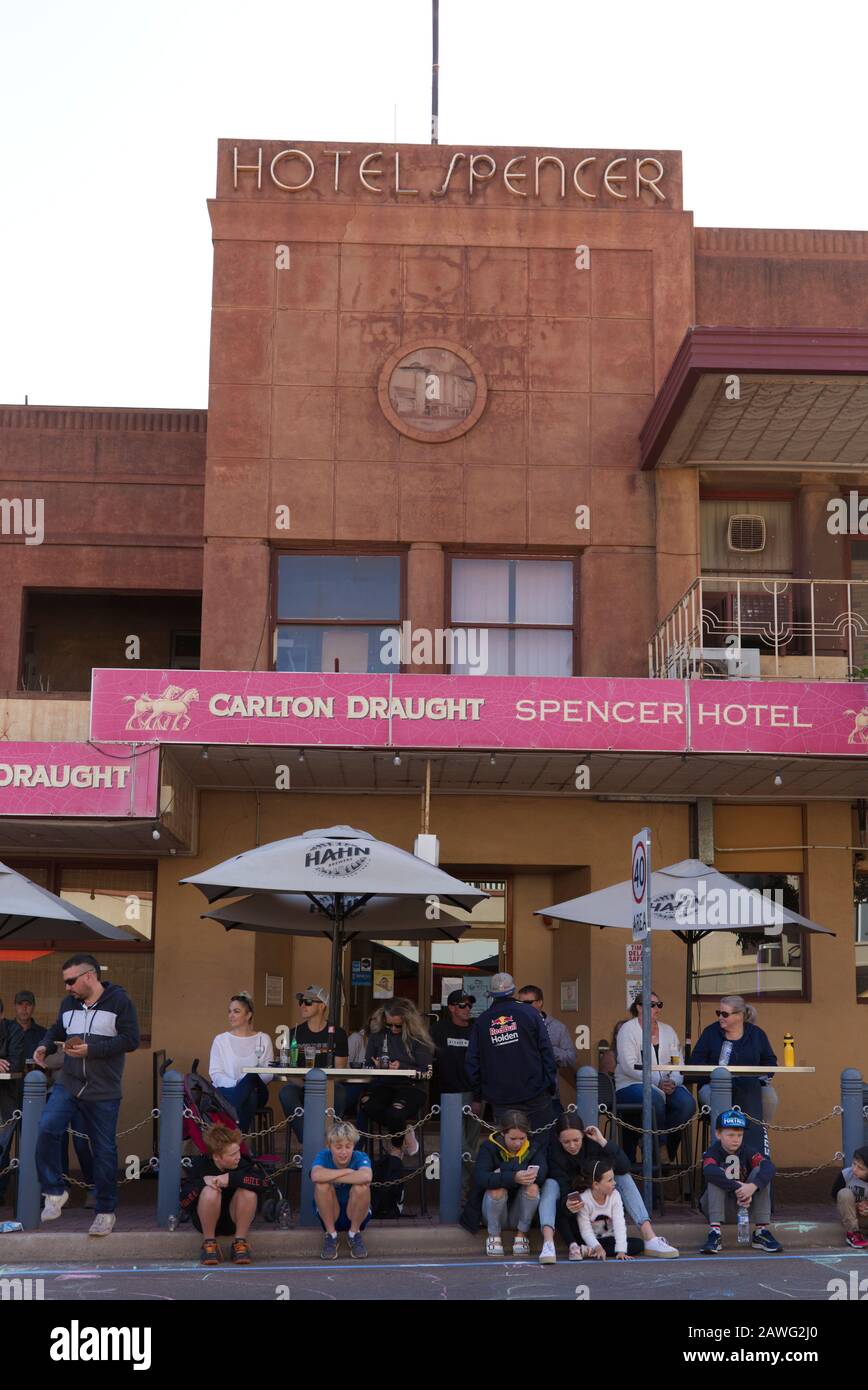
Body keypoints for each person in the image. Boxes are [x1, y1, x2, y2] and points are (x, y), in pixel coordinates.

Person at [33, 953, 140, 1236]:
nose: (67, 987)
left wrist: (92, 1050)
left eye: (71, 981)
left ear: (89, 976)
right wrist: (45, 1046)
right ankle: (54, 1192)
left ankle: (105, 1212)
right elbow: (56, 1028)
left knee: (104, 1151)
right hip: (68, 1083)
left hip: (103, 1089)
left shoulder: (120, 1001)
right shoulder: (68, 1003)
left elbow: (131, 1040)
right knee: (46, 1128)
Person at [537, 1111, 678, 1263]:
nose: (572, 1145)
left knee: (623, 1176)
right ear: (559, 1139)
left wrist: (602, 1141)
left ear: (583, 1135)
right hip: (576, 1209)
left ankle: (650, 1237)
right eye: (566, 1142)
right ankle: (548, 1243)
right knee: (550, 1184)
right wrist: (568, 1205)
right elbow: (564, 1191)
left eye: (576, 1140)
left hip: (600, 1203)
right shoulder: (555, 1154)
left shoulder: (593, 1144)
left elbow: (624, 1166)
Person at [466, 973, 557, 1135]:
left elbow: (472, 1061)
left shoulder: (482, 1021)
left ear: (491, 993)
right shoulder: (530, 1014)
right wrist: (549, 1085)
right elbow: (547, 1052)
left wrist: (480, 1093)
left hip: (500, 1096)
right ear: (513, 990)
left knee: (509, 1147)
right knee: (541, 1145)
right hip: (535, 1092)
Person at [614, 991, 696, 1162]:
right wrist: (657, 1082)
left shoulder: (668, 1030)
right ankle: (660, 1148)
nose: (657, 1008)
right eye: (652, 1005)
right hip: (631, 1084)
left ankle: (653, 1144)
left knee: (687, 1105)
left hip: (667, 1084)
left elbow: (678, 1062)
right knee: (654, 1099)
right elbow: (628, 1066)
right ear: (639, 1007)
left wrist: (673, 1080)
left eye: (659, 1004)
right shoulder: (627, 1030)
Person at [690, 995, 777, 1147]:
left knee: (770, 1098)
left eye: (725, 1014)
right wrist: (714, 1074)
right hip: (714, 1085)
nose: (720, 1018)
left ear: (739, 1016)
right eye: (719, 1013)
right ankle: (724, 1150)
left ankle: (756, 1139)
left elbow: (770, 1061)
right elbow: (695, 1062)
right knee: (721, 1101)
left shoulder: (756, 1034)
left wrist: (762, 1077)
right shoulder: (711, 1033)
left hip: (750, 1086)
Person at [180, 1123, 269, 1265]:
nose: (238, 1157)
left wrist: (231, 1179)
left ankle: (240, 1243)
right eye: (233, 1154)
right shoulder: (200, 1165)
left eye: (238, 1152)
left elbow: (264, 1184)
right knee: (211, 1191)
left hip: (233, 1219)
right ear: (217, 1157)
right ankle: (209, 1244)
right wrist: (203, 1182)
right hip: (206, 1220)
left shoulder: (243, 1163)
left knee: (248, 1192)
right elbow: (184, 1202)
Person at [459, 1108, 545, 1256]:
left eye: (522, 1138)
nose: (518, 1143)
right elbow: (481, 1177)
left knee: (533, 1187)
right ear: (502, 1133)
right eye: (513, 1139)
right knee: (497, 1188)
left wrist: (502, 1172)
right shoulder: (488, 1147)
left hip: (520, 1212)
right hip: (492, 1213)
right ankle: (493, 1236)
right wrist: (513, 1177)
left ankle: (522, 1234)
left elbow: (542, 1173)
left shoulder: (534, 1147)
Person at [700, 1108, 782, 1253]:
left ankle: (761, 1232)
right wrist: (738, 1187)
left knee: (761, 1171)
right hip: (719, 1207)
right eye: (730, 1135)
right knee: (716, 1173)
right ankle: (715, 1233)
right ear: (718, 1134)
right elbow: (708, 1170)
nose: (736, 1139)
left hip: (744, 1207)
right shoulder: (713, 1151)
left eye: (739, 1135)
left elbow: (769, 1166)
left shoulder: (747, 1150)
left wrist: (752, 1187)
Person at [360, 999, 434, 1157]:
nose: (393, 1028)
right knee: (367, 1105)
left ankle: (396, 1147)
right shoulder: (377, 1037)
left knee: (396, 1113)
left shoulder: (418, 1039)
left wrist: (402, 1067)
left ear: (408, 1023)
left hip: (411, 1087)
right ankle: (404, 1130)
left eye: (398, 1026)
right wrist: (376, 1067)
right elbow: (367, 1065)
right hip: (383, 1085)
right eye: (389, 1025)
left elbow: (427, 1073)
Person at [278, 986, 349, 1143]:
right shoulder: (293, 1033)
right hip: (301, 1086)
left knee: (341, 1093)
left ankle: (327, 1140)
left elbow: (340, 1071)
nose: (302, 1005)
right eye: (301, 1002)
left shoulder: (338, 1033)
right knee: (286, 1092)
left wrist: (320, 1086)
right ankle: (310, 1140)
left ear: (322, 1005)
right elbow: (289, 1071)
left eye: (308, 1002)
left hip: (328, 1087)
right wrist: (308, 1086)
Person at [208, 991, 273, 1133]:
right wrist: (238, 1084)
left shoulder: (263, 1038)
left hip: (258, 1091)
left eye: (236, 1011)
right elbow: (215, 1073)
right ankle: (239, 1140)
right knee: (249, 1095)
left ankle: (229, 1142)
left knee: (251, 1075)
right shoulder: (220, 1040)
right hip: (228, 1091)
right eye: (229, 1011)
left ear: (248, 1015)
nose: (231, 1015)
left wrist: (248, 1081)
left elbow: (268, 1072)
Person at [310, 1120, 373, 1261]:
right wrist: (348, 1172)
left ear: (353, 1146)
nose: (344, 1152)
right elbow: (315, 1175)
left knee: (362, 1186)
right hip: (332, 1214)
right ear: (329, 1146)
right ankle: (331, 1235)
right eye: (338, 1147)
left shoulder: (360, 1156)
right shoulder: (323, 1155)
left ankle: (354, 1234)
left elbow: (366, 1176)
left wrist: (332, 1177)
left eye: (348, 1147)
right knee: (321, 1185)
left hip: (356, 1214)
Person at [517, 985, 577, 1115]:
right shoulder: (512, 1026)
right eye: (520, 1003)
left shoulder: (557, 1027)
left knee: (550, 1132)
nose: (523, 1007)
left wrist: (547, 1048)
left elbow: (570, 1058)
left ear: (540, 1003)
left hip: (548, 1093)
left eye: (528, 1003)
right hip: (519, 1094)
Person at [574, 1160, 644, 1260]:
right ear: (596, 1185)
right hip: (593, 1240)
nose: (614, 1183)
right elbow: (585, 1231)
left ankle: (590, 1251)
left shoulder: (615, 1195)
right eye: (610, 1180)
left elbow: (619, 1223)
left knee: (639, 1244)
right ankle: (594, 1249)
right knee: (584, 1241)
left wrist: (621, 1251)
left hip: (611, 1239)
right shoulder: (584, 1199)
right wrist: (597, 1247)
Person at [831, 1145, 868, 1250]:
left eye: (861, 1168)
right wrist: (855, 1205)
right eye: (854, 1164)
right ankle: (853, 1234)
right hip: (852, 1217)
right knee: (844, 1193)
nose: (855, 1169)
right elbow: (835, 1195)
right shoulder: (846, 1174)